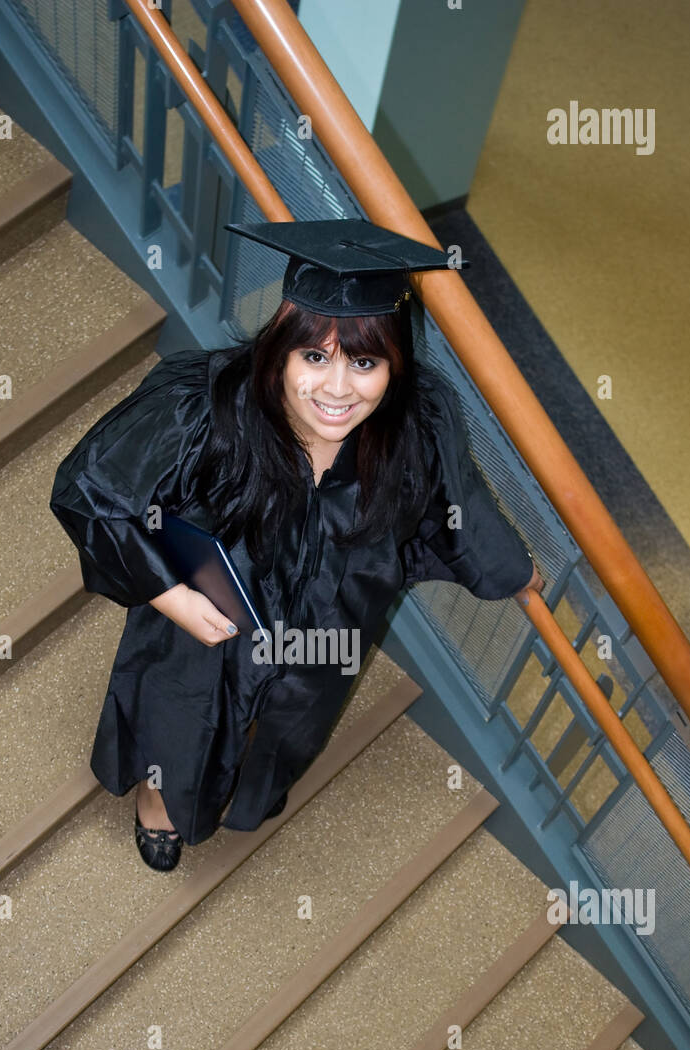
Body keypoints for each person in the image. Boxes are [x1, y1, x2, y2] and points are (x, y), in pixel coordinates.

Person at [50, 218, 544, 873]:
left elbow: (460, 510)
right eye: (314, 357)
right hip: (208, 623)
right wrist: (171, 599)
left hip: (323, 633)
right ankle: (159, 808)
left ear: (393, 361)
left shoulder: (417, 423)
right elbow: (92, 487)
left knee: (287, 725)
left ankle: (239, 793)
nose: (337, 389)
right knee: (182, 719)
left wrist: (514, 570)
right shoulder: (206, 406)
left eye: (364, 362)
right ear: (282, 342)